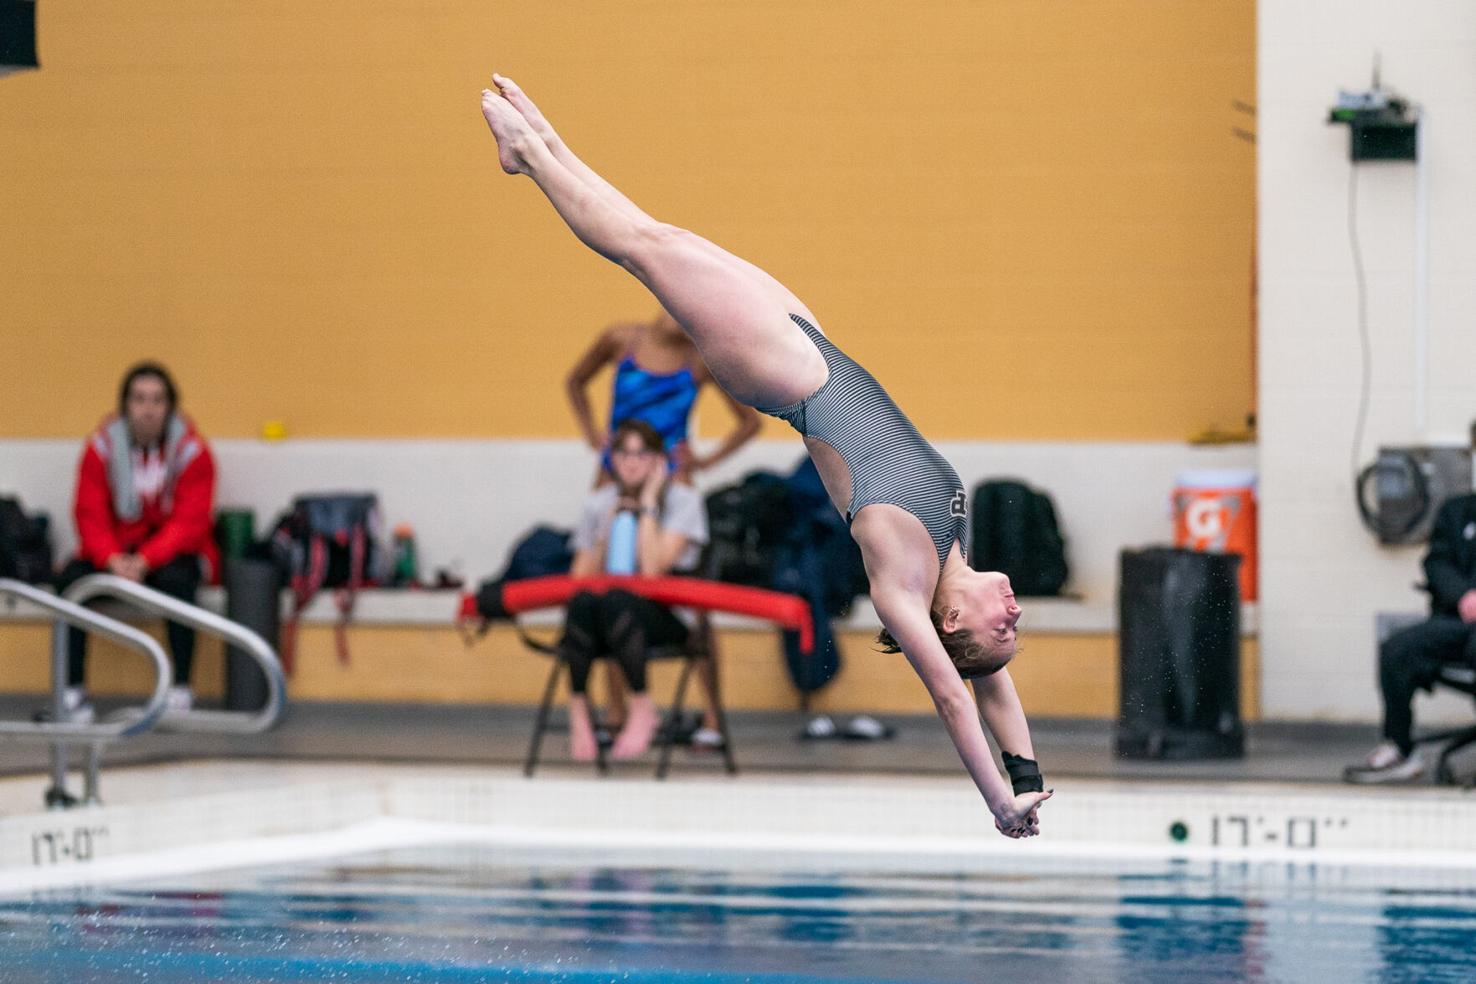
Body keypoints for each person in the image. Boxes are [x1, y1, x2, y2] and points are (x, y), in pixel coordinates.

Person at [479, 75, 1051, 836]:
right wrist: (1028, 777)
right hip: (815, 348)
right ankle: (539, 145)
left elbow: (955, 694)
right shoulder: (952, 550)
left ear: (949, 620)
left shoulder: (903, 586)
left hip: (787, 374)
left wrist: (998, 804)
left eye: (1002, 626)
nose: (1015, 613)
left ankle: (532, 155)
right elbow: (993, 685)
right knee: (661, 239)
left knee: (646, 251)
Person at [53, 363, 218, 721]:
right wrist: (112, 558)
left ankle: (180, 688)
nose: (148, 409)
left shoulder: (192, 451)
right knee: (70, 581)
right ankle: (72, 691)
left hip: (166, 556)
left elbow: (190, 521)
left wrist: (145, 559)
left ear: (170, 406)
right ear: (125, 404)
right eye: (139, 399)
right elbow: (89, 512)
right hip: (113, 554)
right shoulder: (101, 448)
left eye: (157, 400)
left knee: (180, 581)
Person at [562, 419, 710, 761]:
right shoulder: (599, 503)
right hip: (608, 619)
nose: (631, 463)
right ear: (612, 460)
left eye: (642, 454)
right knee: (583, 602)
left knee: (618, 599)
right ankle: (579, 709)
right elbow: (579, 579)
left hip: (667, 618)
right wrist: (608, 527)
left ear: (659, 460)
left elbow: (652, 572)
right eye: (624, 454)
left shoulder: (684, 501)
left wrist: (647, 505)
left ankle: (641, 705)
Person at [1345, 493, 1476, 784]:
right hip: (1457, 621)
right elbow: (1436, 562)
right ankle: (1399, 749)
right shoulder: (1457, 510)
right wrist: (1463, 596)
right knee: (1397, 650)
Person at [566, 308, 760, 482]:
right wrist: (591, 433)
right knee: (603, 511)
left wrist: (706, 462)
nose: (683, 316)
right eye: (681, 305)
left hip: (671, 471)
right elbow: (576, 381)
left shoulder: (700, 360)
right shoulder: (621, 339)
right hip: (617, 466)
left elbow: (750, 422)